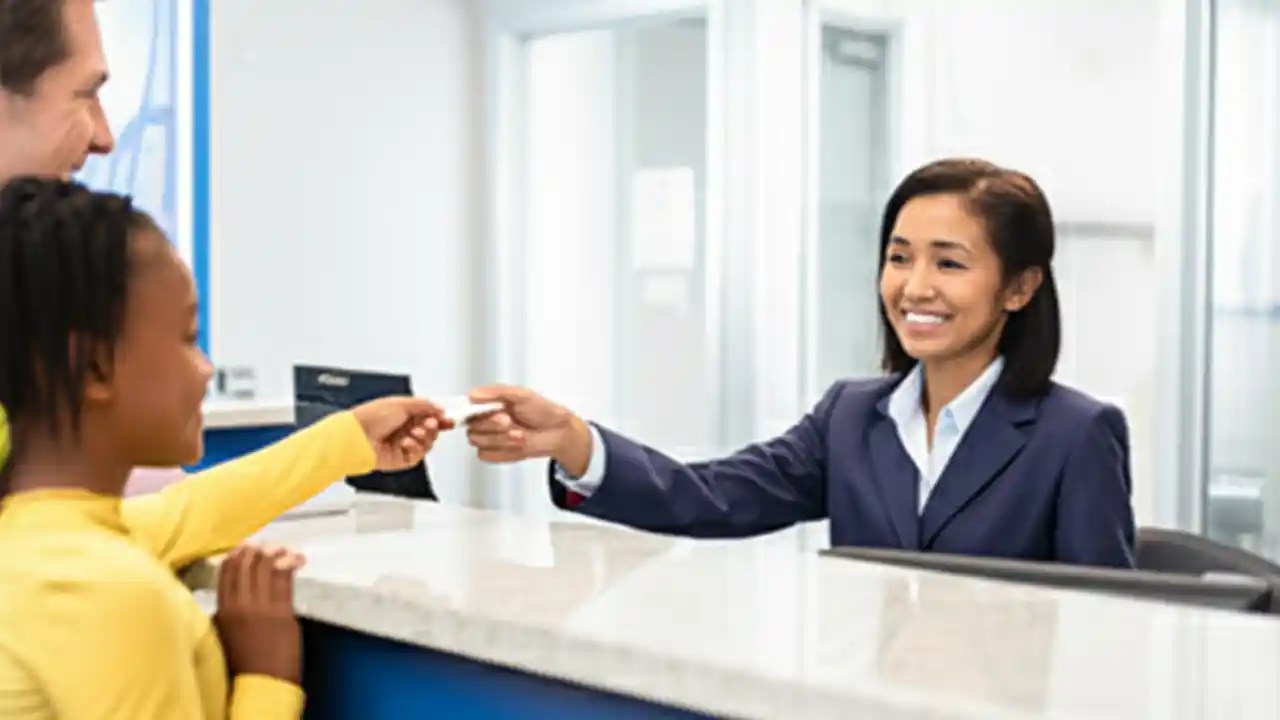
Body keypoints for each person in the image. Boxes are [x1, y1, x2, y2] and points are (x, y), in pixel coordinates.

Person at [466, 158, 1136, 567]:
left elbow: (1107, 632)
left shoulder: (1075, 435)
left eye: (949, 262)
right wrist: (572, 441)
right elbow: (712, 499)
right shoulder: (853, 416)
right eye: (900, 257)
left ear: (1019, 288)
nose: (915, 286)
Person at [0, 178, 452, 717]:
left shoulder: (34, 541)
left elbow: (186, 514)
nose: (206, 369)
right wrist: (266, 676)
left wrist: (347, 439)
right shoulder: (111, 593)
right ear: (95, 365)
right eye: (188, 338)